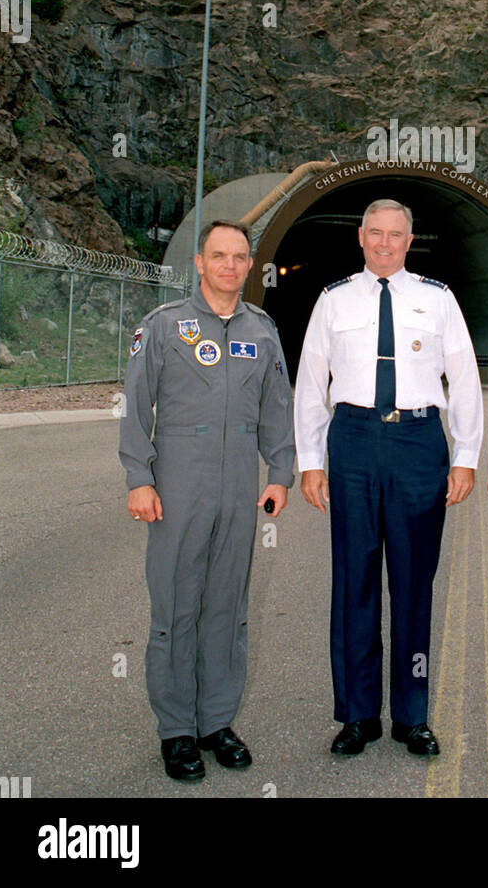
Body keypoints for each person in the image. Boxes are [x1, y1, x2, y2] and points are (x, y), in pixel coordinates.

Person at [294, 198, 483, 756]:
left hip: (417, 442)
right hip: (351, 440)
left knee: (413, 584)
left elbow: (465, 379)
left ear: (409, 239)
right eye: (374, 233)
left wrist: (465, 455)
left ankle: (412, 715)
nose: (384, 243)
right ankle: (357, 715)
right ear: (360, 236)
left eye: (394, 235)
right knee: (353, 583)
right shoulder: (332, 300)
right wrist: (310, 461)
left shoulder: (438, 298)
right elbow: (310, 382)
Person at [120, 220, 294, 782]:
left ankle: (216, 722)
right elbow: (135, 405)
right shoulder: (165, 327)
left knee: (226, 608)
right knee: (175, 609)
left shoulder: (263, 331)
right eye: (217, 255)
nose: (228, 265)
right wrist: (138, 478)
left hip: (238, 486)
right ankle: (176, 731)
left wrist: (281, 472)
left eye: (238, 257)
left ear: (249, 265)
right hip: (177, 485)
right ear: (199, 262)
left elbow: (276, 408)